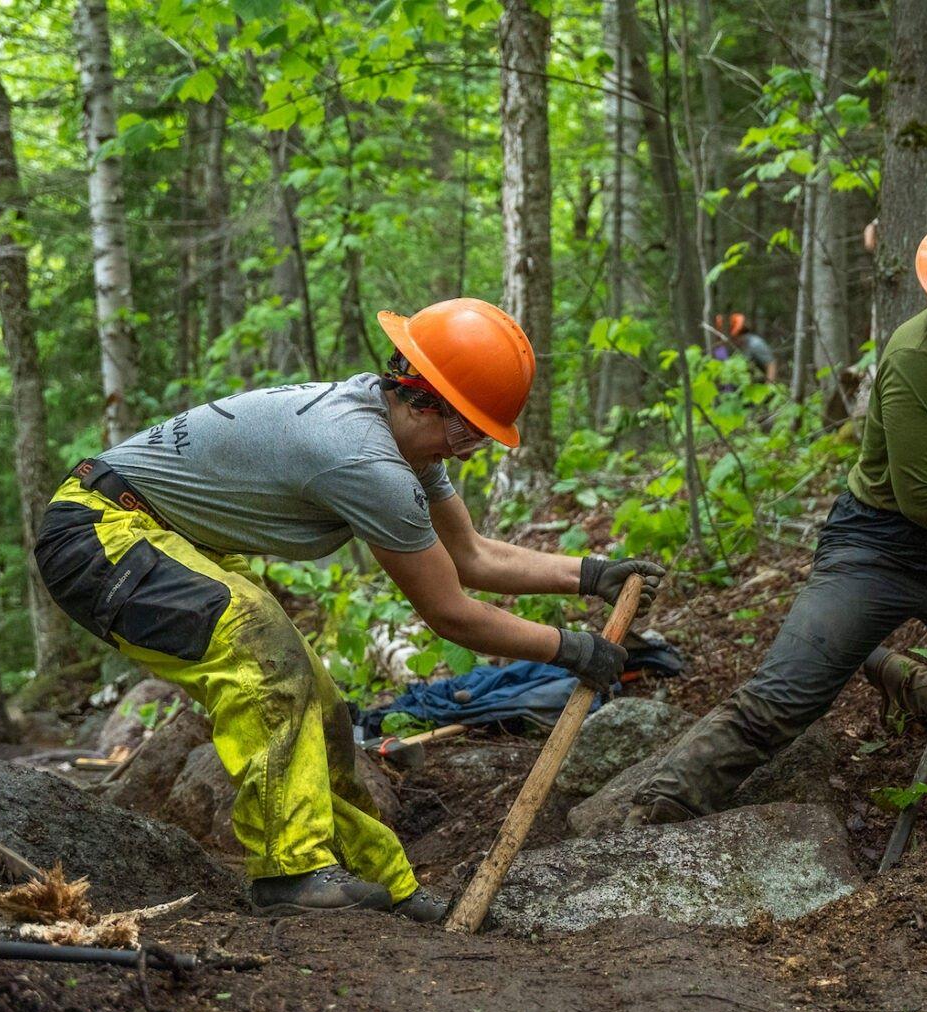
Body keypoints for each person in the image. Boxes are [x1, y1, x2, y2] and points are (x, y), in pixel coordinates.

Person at [34, 297, 664, 919]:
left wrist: (591, 575)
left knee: (322, 704)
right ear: (421, 397)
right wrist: (572, 650)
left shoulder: (403, 439)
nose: (470, 450)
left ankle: (373, 878)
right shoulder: (364, 458)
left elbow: (471, 556)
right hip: (97, 535)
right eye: (467, 429)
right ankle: (293, 872)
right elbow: (451, 613)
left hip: (169, 538)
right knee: (264, 657)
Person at [627, 198, 927, 826]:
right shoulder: (915, 357)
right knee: (783, 701)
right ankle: (654, 810)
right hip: (880, 545)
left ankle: (916, 687)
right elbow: (919, 493)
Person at [711, 312, 778, 383]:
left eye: (735, 338)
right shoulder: (722, 349)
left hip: (756, 384)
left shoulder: (755, 344)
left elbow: (770, 364)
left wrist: (768, 386)